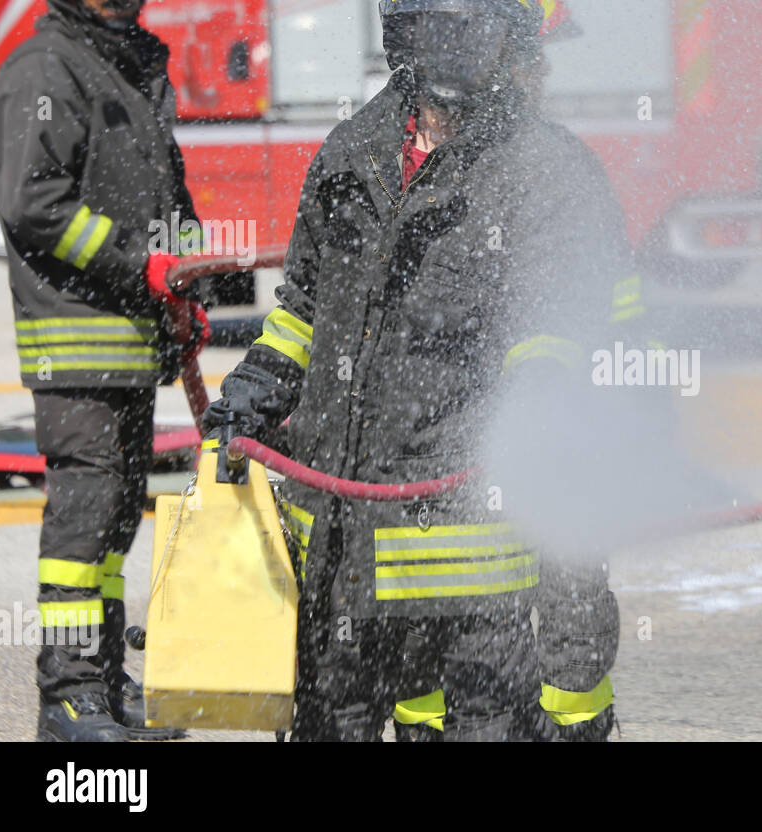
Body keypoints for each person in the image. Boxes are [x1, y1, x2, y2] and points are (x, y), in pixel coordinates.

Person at [204, 0, 632, 741]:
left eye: (473, 29)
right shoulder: (350, 152)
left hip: (471, 573)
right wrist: (262, 379)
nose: (453, 48)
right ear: (402, 32)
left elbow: (559, 319)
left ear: (510, 41)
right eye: (435, 26)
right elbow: (306, 303)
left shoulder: (547, 173)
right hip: (338, 564)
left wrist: (542, 390)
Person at [0, 0, 201, 741]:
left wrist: (191, 270)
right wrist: (139, 265)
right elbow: (32, 202)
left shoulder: (129, 60)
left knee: (113, 527)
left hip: (132, 340)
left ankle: (105, 683)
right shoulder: (44, 66)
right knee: (84, 526)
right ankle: (68, 698)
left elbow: (165, 191)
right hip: (77, 341)